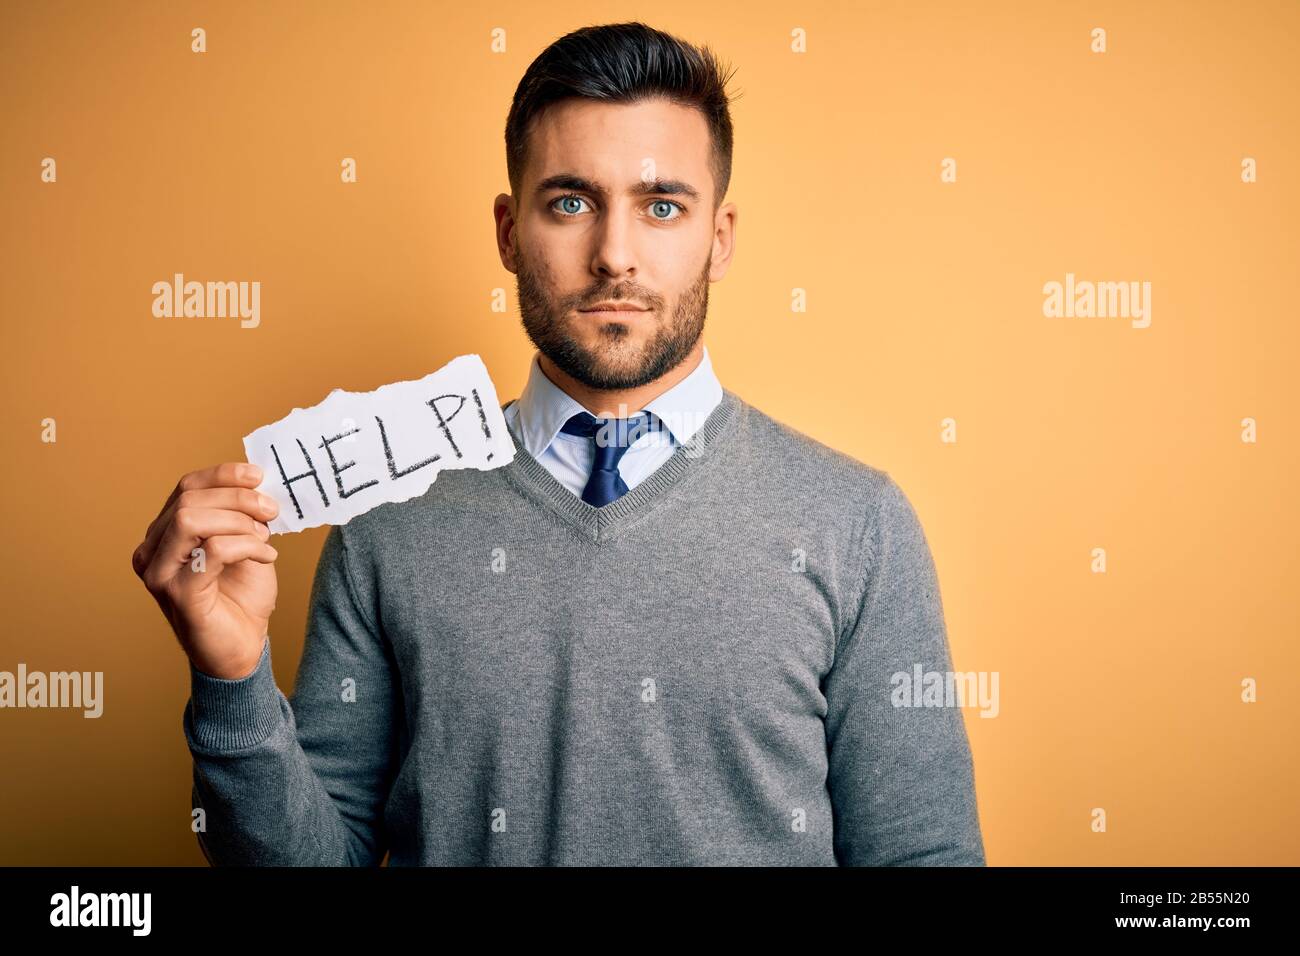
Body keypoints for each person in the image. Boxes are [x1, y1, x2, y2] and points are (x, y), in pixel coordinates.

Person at [132, 21, 986, 866]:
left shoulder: (856, 524)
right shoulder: (386, 521)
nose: (615, 255)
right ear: (508, 232)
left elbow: (924, 855)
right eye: (571, 202)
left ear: (718, 239)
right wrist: (233, 681)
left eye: (662, 207)